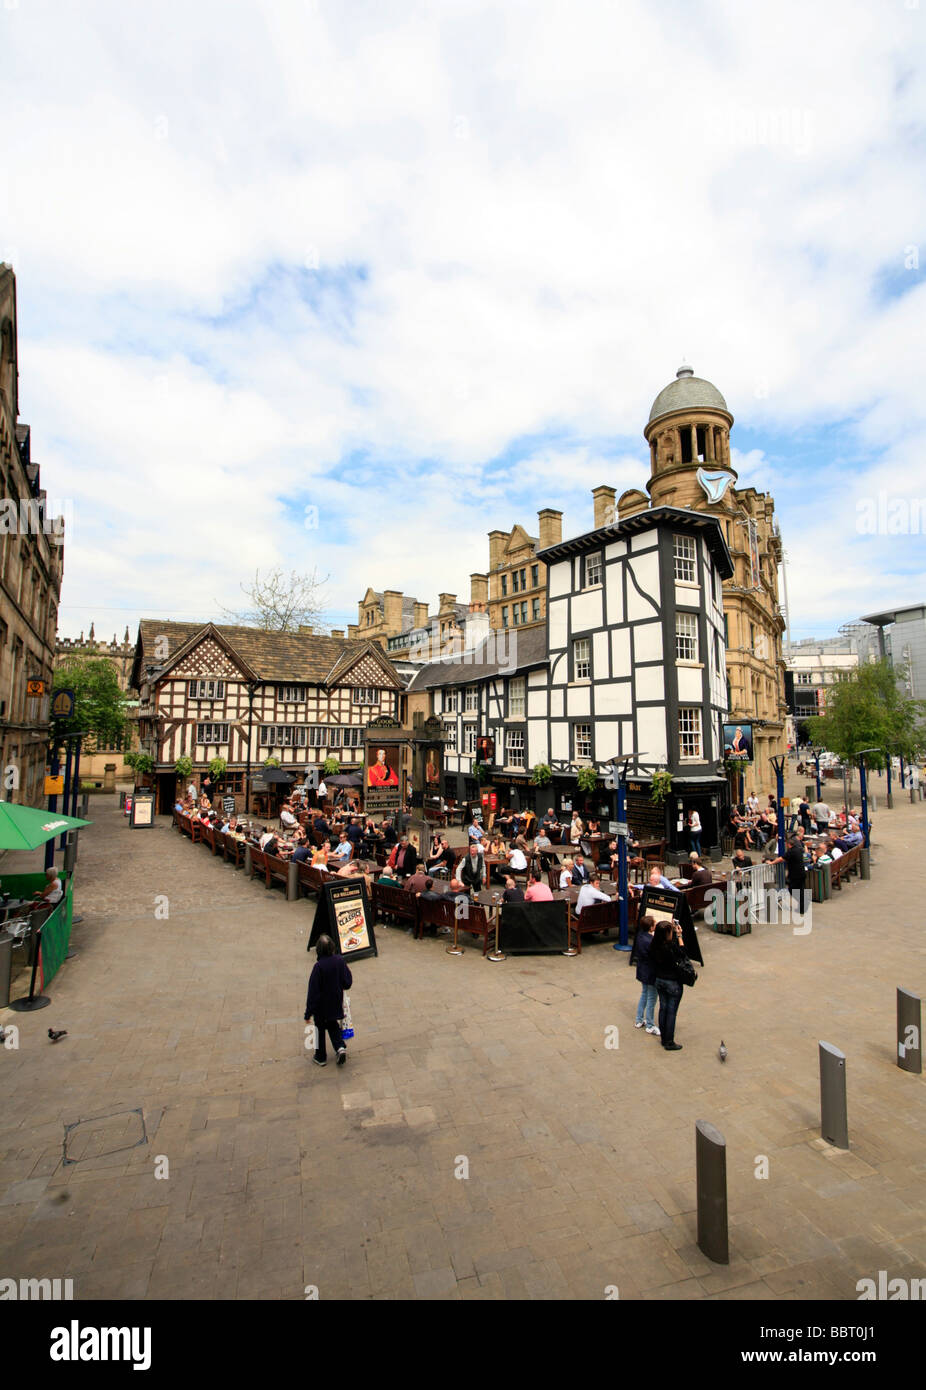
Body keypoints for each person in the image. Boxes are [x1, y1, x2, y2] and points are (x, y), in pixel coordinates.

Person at [304, 934, 352, 1067]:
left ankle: (320, 1057)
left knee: (319, 1029)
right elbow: (347, 982)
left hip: (321, 1007)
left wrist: (308, 1013)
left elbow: (313, 992)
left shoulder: (318, 967)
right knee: (332, 1025)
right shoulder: (339, 961)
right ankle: (339, 1047)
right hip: (335, 1002)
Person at [650, 920, 691, 1051]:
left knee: (663, 1008)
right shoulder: (670, 947)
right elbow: (683, 954)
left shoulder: (654, 945)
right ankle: (669, 1041)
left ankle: (664, 1038)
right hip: (672, 982)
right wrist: (679, 936)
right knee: (671, 1012)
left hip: (659, 980)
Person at [633, 915, 660, 1035]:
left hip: (642, 971)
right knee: (652, 999)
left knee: (644, 994)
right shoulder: (651, 941)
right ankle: (650, 1025)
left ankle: (639, 1020)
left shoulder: (640, 936)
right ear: (651, 927)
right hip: (651, 973)